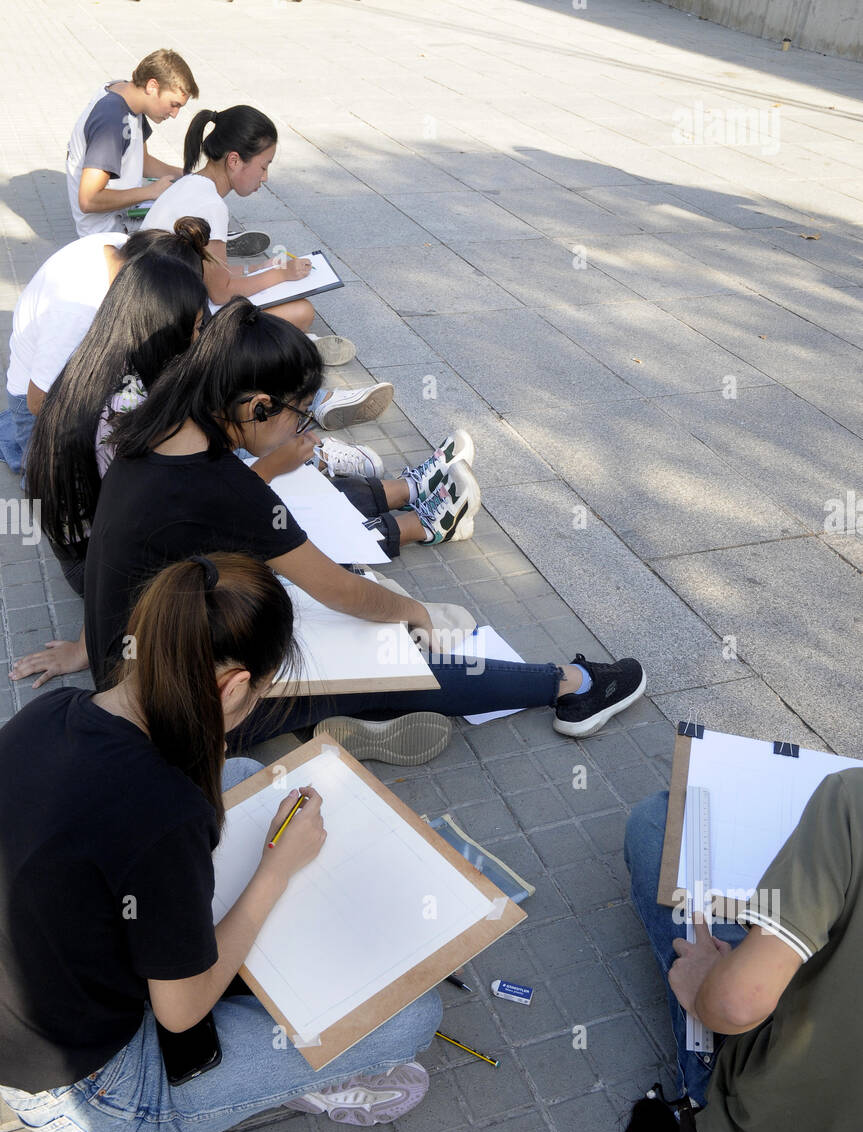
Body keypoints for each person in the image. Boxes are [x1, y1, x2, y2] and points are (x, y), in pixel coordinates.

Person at [11, 300, 647, 754]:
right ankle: (572, 683)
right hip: (171, 716)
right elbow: (343, 594)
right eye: (299, 415)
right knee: (376, 663)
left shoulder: (154, 428)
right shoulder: (224, 485)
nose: (304, 431)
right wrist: (415, 610)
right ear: (257, 407)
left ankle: (343, 720)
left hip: (126, 668)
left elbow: (148, 547)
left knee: (305, 596)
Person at [0, 553, 442, 1132]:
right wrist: (276, 871)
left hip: (33, 1000)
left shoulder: (55, 709)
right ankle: (283, 1083)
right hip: (97, 1091)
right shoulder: (164, 813)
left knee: (239, 773)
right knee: (415, 1018)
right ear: (234, 685)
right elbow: (180, 1015)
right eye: (262, 691)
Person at [621, 772, 863, 1132]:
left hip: (782, 1129)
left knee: (656, 820)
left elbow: (736, 1005)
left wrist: (705, 985)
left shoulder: (851, 798)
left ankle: (710, 1104)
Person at [141, 103, 381, 422]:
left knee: (291, 313)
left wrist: (265, 270)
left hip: (158, 322)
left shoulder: (188, 185)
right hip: (180, 343)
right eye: (264, 166)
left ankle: (298, 354)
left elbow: (215, 275)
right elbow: (221, 294)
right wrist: (279, 274)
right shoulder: (211, 205)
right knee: (300, 311)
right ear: (235, 160)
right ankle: (312, 392)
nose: (265, 177)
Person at [24, 238, 210, 595]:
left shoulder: (101, 353)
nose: (202, 338)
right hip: (99, 569)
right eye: (198, 328)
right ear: (167, 332)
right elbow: (143, 515)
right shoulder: (128, 405)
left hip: (85, 543)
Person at [0, 219, 210, 476]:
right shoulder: (76, 310)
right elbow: (39, 402)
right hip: (38, 407)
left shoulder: (125, 250)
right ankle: (18, 442)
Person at [66, 49, 198, 239]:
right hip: (105, 237)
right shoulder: (111, 121)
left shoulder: (129, 96)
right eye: (173, 104)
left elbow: (143, 161)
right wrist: (150, 192)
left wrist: (187, 176)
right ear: (152, 86)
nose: (174, 114)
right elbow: (88, 200)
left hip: (120, 219)